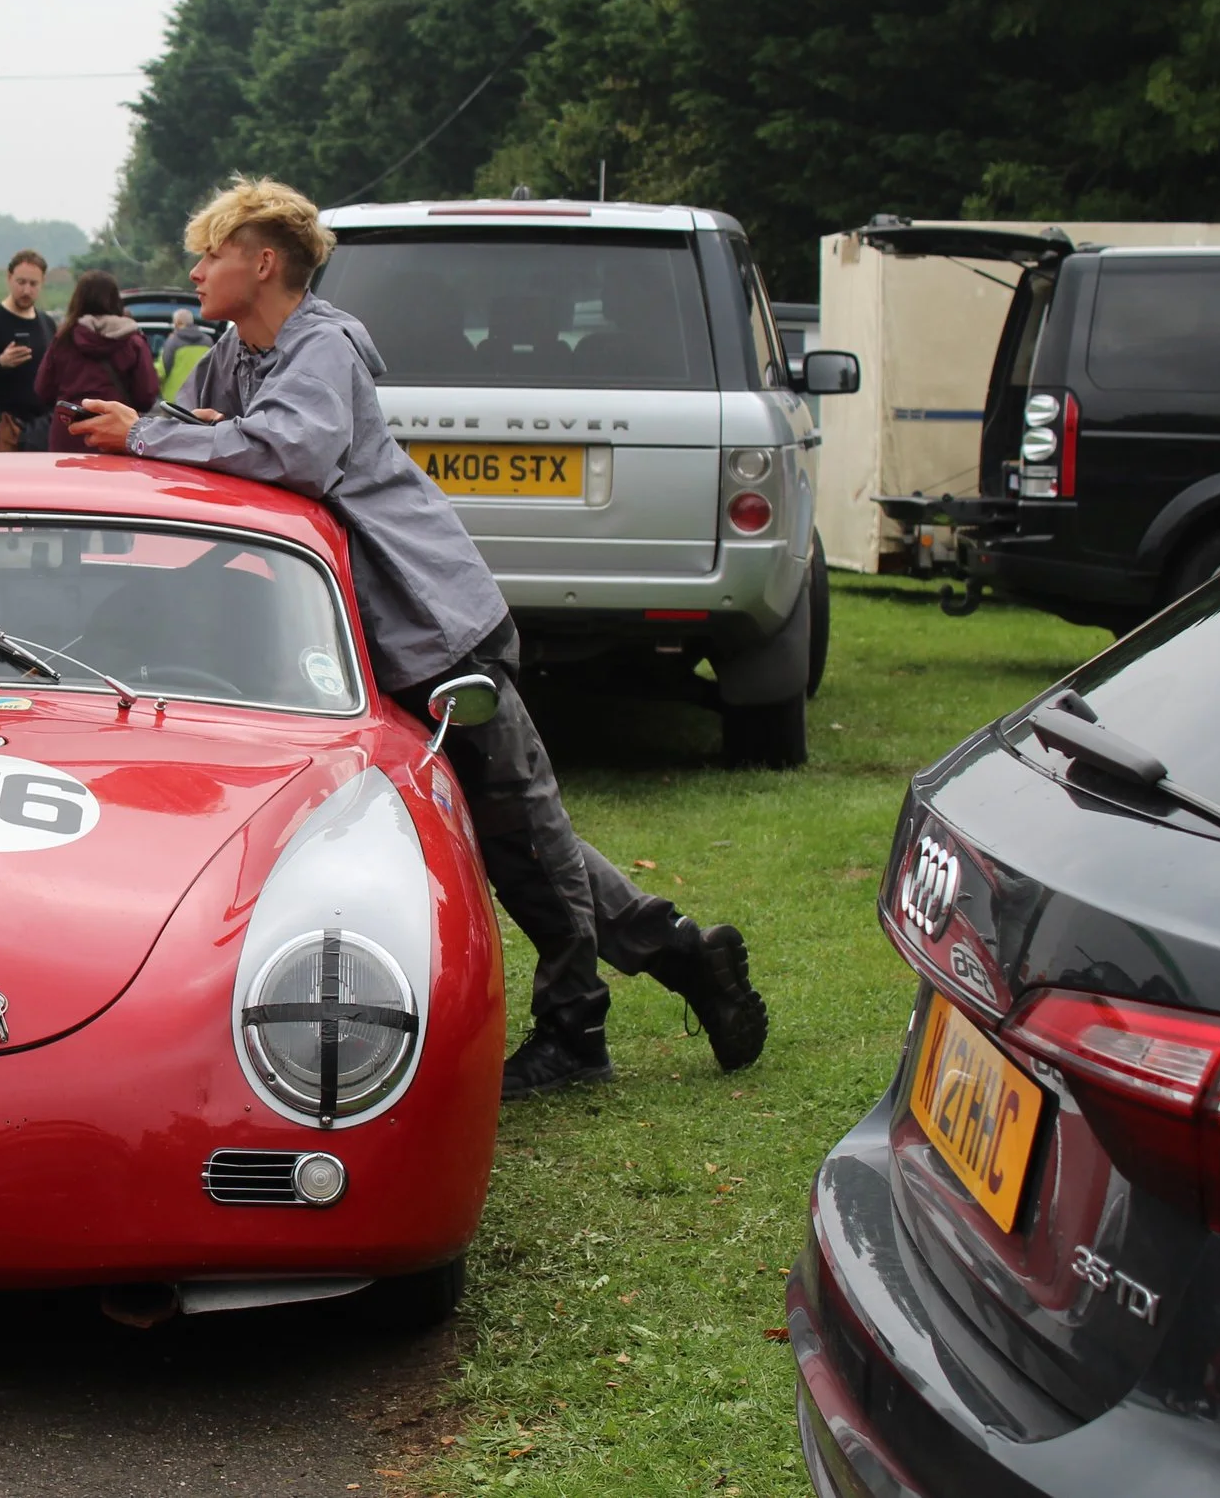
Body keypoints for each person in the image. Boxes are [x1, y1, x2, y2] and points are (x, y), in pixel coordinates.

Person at [69, 179, 766, 1098]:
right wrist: (193, 432)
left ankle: (578, 1028)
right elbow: (218, 440)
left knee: (524, 837)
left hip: (439, 630)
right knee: (505, 826)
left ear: (263, 262)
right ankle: (682, 952)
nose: (195, 271)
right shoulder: (236, 354)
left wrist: (162, 431)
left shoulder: (320, 351)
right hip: (373, 640)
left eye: (210, 254)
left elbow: (287, 454)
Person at [35, 271, 159, 454]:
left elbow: (42, 390)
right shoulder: (133, 341)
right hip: (115, 438)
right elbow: (146, 396)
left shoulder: (63, 339)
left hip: (68, 437)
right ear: (115, 300)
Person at [0, 249, 56, 450]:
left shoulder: (47, 324)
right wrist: (0, 363)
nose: (26, 290)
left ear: (42, 283)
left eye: (33, 284)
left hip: (39, 432)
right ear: (9, 278)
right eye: (21, 282)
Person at [154, 307, 212, 399]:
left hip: (174, 401)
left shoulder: (173, 341)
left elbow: (162, 371)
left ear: (178, 322)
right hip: (199, 398)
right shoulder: (208, 341)